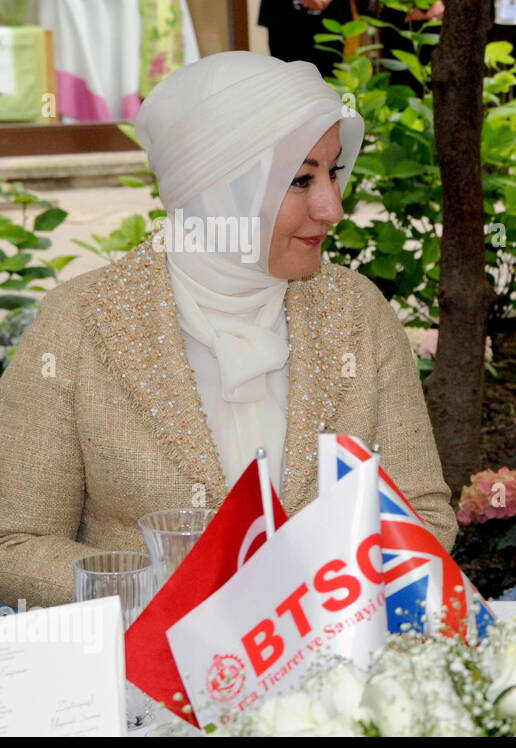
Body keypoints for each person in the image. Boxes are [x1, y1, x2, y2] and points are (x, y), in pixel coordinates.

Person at [0, 52, 457, 608]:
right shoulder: (79, 323)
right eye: (299, 180)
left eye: (333, 172)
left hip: (335, 670)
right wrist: (175, 592)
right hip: (144, 680)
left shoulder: (357, 312)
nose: (332, 208)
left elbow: (422, 518)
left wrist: (316, 600)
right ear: (220, 189)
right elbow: (15, 544)